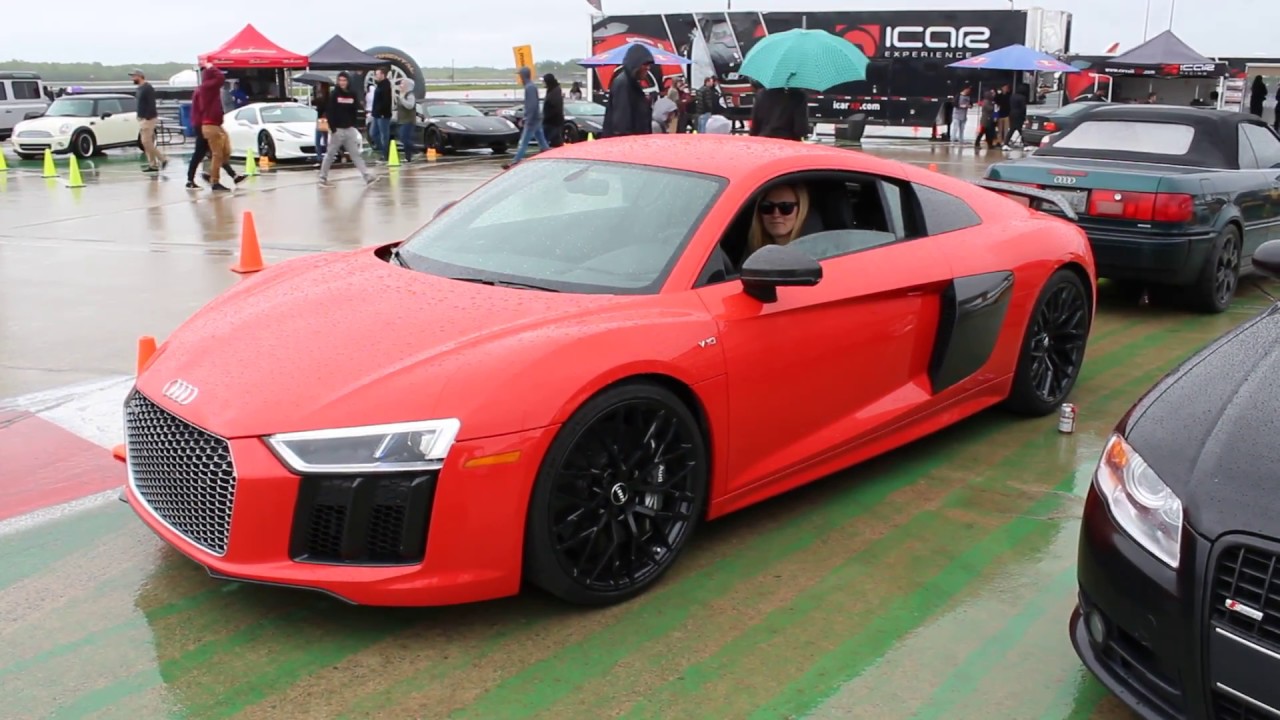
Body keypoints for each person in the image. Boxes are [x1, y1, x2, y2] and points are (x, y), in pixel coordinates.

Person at [318, 72, 378, 187]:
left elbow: (355, 110)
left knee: (355, 154)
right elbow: (330, 112)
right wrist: (333, 128)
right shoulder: (334, 94)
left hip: (349, 129)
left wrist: (354, 125)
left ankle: (367, 176)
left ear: (348, 81)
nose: (342, 83)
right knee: (330, 154)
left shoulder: (352, 94)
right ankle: (322, 178)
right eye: (340, 80)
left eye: (344, 80)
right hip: (337, 130)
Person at [185, 72, 244, 190]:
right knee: (205, 153)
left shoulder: (205, 91)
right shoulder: (204, 91)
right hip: (203, 124)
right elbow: (203, 109)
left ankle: (231, 175)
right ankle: (193, 180)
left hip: (206, 124)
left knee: (216, 152)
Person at [601, 44, 654, 138]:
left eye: (649, 65)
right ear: (636, 64)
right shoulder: (623, 84)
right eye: (645, 64)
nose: (648, 68)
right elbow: (621, 123)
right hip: (626, 145)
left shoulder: (632, 84)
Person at [194, 65, 232, 192]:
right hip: (210, 125)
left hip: (215, 124)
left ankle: (211, 174)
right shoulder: (207, 88)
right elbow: (220, 78)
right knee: (217, 154)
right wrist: (212, 68)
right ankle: (214, 181)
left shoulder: (207, 88)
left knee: (225, 151)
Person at [505, 67, 549, 168]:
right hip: (536, 118)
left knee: (523, 142)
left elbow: (532, 105)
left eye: (520, 75)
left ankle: (515, 162)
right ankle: (550, 154)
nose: (519, 78)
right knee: (542, 141)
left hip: (532, 120)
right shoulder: (531, 87)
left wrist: (527, 119)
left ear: (523, 76)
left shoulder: (529, 88)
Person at [747, 184, 811, 253]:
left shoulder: (813, 254)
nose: (776, 214)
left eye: (786, 207)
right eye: (767, 207)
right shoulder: (753, 252)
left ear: (801, 211)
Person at [129, 69, 167, 173]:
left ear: (140, 76)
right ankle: (153, 164)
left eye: (134, 76)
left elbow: (151, 104)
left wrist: (147, 117)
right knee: (145, 142)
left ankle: (162, 159)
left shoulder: (147, 88)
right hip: (142, 118)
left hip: (148, 119)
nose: (132, 78)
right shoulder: (139, 89)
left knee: (146, 142)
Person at [369, 68, 393, 159]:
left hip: (383, 115)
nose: (376, 76)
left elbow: (386, 101)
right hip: (376, 114)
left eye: (377, 74)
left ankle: (385, 154)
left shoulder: (386, 85)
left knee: (384, 135)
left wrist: (382, 112)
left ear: (383, 75)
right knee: (373, 133)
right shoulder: (379, 85)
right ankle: (381, 149)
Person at [395, 78, 417, 161]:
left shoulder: (410, 95)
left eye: (402, 84)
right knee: (402, 138)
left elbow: (410, 106)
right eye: (400, 83)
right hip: (402, 120)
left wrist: (402, 99)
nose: (400, 85)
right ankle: (408, 157)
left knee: (405, 138)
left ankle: (415, 151)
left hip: (408, 121)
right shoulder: (402, 94)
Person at [542, 74, 565, 147]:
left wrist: (547, 116)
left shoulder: (555, 91)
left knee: (549, 141)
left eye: (544, 81)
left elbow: (556, 107)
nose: (543, 83)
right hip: (551, 121)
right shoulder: (552, 90)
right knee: (554, 142)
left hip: (552, 122)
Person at [312, 82, 330, 163]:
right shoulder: (326, 96)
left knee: (318, 139)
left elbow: (316, 103)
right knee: (325, 138)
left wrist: (316, 96)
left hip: (322, 119)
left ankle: (319, 156)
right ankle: (327, 155)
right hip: (324, 119)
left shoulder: (323, 97)